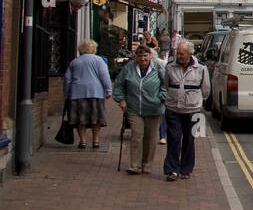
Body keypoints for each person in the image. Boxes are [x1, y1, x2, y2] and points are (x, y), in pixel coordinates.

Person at [112, 43, 166, 175]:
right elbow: (119, 85)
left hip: (154, 109)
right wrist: (121, 99)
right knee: (136, 135)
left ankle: (146, 164)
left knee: (150, 138)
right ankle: (135, 165)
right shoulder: (129, 68)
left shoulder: (158, 67)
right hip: (134, 108)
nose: (142, 59)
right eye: (140, 56)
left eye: (145, 56)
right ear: (136, 57)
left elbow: (166, 85)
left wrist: (160, 97)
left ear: (150, 56)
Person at [163, 40, 211, 182]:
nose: (179, 56)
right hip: (173, 109)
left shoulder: (201, 68)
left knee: (190, 140)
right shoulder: (170, 67)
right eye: (178, 53)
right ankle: (172, 170)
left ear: (190, 54)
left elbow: (206, 89)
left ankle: (186, 169)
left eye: (182, 54)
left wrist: (197, 102)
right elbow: (166, 84)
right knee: (174, 139)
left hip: (194, 110)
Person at [64, 39, 113, 150]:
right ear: (94, 49)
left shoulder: (75, 62)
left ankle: (83, 141)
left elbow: (67, 79)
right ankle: (95, 141)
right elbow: (104, 75)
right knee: (96, 118)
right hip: (95, 92)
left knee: (80, 118)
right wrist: (108, 90)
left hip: (77, 93)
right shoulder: (98, 60)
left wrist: (67, 93)